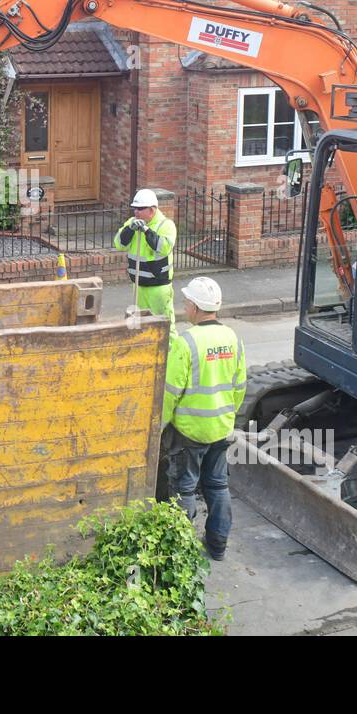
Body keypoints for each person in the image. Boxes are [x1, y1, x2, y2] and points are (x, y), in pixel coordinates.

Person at [160, 276, 246, 560]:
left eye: (186, 302)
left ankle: (181, 551)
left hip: (189, 431)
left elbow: (171, 392)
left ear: (195, 307)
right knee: (218, 485)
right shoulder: (232, 338)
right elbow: (239, 386)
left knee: (184, 488)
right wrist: (226, 417)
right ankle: (217, 546)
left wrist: (160, 425)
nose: (184, 306)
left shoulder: (187, 342)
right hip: (221, 429)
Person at [114, 189, 176, 326]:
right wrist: (130, 229)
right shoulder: (132, 222)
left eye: (140, 209)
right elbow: (119, 244)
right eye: (135, 209)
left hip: (158, 288)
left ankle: (170, 348)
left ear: (152, 210)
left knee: (164, 326)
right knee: (140, 325)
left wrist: (147, 231)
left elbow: (164, 248)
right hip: (138, 286)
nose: (136, 212)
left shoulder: (166, 225)